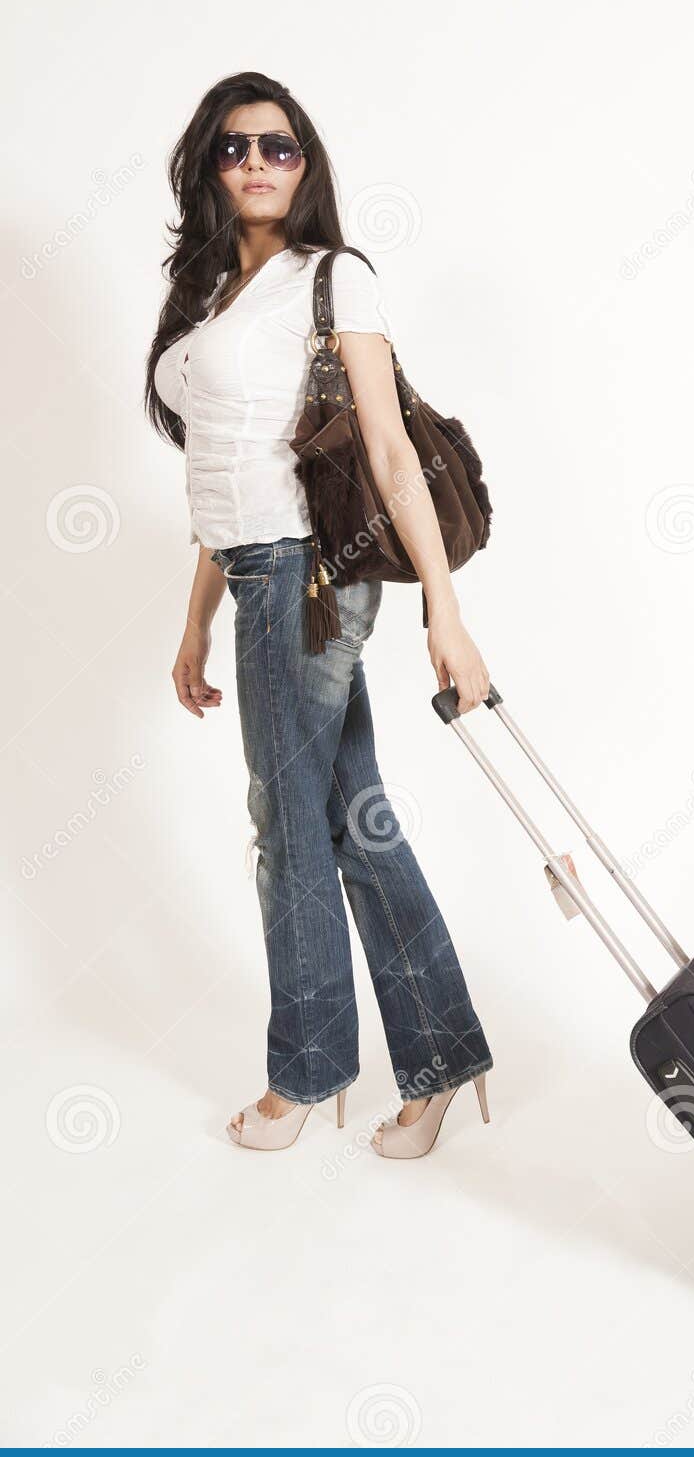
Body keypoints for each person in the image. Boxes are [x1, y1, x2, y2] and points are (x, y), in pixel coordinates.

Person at [146, 71, 493, 1157]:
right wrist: (194, 620)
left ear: (307, 166)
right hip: (252, 577)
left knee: (287, 829)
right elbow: (223, 478)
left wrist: (447, 611)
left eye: (280, 146)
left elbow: (387, 453)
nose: (258, 162)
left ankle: (303, 1076)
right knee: (350, 819)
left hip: (309, 580)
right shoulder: (204, 298)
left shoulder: (334, 279)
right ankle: (441, 1059)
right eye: (235, 147)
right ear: (208, 165)